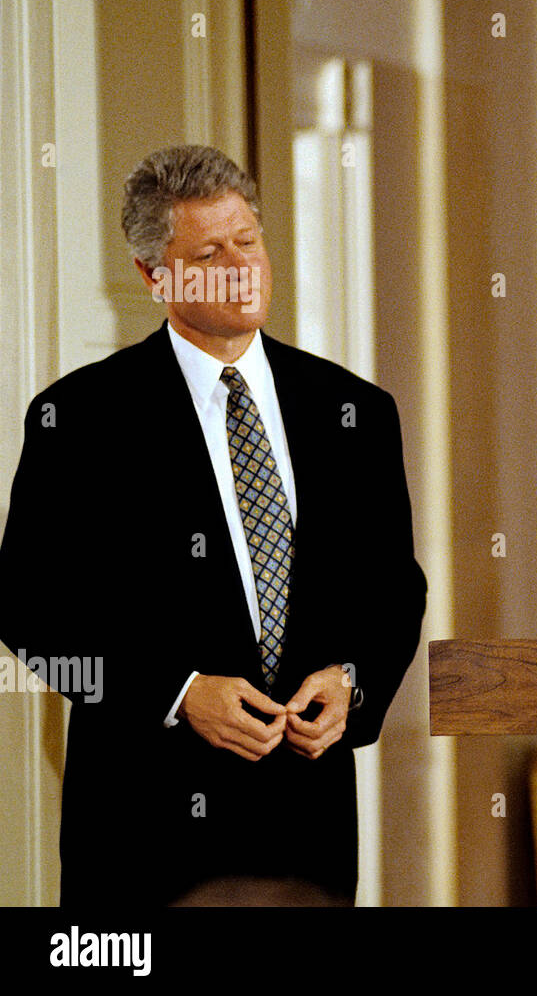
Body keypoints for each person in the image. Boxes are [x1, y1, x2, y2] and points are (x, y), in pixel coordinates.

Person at [0, 145, 426, 906]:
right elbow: (29, 610)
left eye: (249, 240)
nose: (241, 265)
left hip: (306, 831)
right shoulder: (81, 419)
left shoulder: (354, 411)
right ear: (153, 276)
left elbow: (394, 589)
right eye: (208, 252)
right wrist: (178, 690)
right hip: (142, 835)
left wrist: (351, 680)